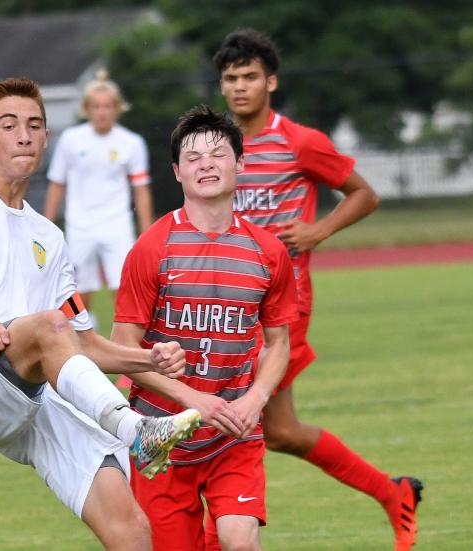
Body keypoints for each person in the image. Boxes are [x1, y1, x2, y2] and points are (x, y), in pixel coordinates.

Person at [0, 77, 201, 551]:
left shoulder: (50, 239)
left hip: (34, 400)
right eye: (8, 125)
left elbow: (83, 344)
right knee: (49, 326)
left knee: (130, 528)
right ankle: (138, 431)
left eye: (34, 125)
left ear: (47, 138)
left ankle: (131, 436)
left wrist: (148, 360)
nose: (24, 135)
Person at [210, 28, 422, 551]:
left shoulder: (299, 141)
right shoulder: (216, 147)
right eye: (231, 79)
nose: (240, 88)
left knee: (224, 425)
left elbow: (363, 195)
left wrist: (316, 231)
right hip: (227, 307)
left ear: (271, 81)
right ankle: (393, 493)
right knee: (277, 430)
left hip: (283, 308)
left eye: (250, 77)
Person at [111, 105, 300, 551]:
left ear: (240, 163)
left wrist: (255, 399)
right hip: (161, 440)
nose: (207, 164)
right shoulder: (152, 248)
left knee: (239, 541)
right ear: (177, 172)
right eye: (193, 158)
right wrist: (193, 400)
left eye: (218, 154)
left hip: (235, 433)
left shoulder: (268, 252)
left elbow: (279, 345)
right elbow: (122, 348)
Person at [44, 70, 153, 326]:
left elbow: (141, 189)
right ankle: (84, 343)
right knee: (79, 292)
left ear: (117, 108)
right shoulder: (71, 140)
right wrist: (46, 226)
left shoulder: (131, 142)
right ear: (86, 109)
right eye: (96, 106)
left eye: (107, 106)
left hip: (117, 224)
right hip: (80, 225)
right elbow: (57, 183)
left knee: (125, 288)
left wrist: (147, 233)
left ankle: (127, 347)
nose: (102, 112)